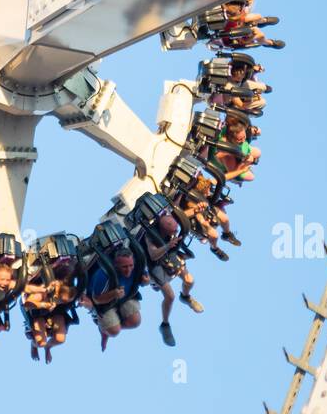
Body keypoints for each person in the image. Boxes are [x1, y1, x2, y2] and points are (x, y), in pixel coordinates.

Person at [143, 214, 202, 347]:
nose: (175, 232)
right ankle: (165, 325)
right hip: (156, 263)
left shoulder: (170, 221)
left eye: (176, 229)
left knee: (189, 280)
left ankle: (186, 297)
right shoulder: (150, 235)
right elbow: (152, 255)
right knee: (170, 296)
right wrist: (168, 246)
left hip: (170, 254)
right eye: (173, 231)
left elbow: (177, 209)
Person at [81, 249, 143, 352]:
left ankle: (111, 324)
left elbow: (144, 278)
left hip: (125, 297)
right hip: (104, 304)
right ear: (116, 265)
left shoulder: (137, 265)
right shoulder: (103, 275)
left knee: (135, 322)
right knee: (114, 331)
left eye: (130, 265)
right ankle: (104, 328)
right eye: (124, 267)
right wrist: (113, 294)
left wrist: (146, 280)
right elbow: (96, 300)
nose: (128, 270)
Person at [22, 274, 78, 364]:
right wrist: (44, 305)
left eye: (66, 302)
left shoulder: (67, 294)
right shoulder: (44, 292)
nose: (63, 303)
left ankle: (48, 347)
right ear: (57, 293)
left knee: (60, 339)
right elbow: (27, 304)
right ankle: (33, 345)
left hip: (56, 312)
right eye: (62, 300)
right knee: (41, 342)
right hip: (37, 310)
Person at [213, 114, 260, 183]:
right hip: (230, 161)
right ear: (231, 139)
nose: (243, 140)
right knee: (251, 177)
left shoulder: (235, 127)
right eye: (240, 139)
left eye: (244, 137)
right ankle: (234, 178)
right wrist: (244, 164)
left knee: (258, 152)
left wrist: (254, 130)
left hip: (240, 151)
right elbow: (217, 156)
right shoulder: (224, 146)